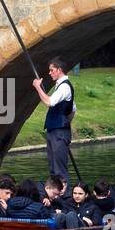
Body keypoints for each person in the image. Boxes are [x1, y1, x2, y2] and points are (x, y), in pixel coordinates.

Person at [32, 57, 76, 185]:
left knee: (59, 171)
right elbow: (73, 109)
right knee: (53, 169)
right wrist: (66, 122)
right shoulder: (60, 87)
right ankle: (56, 196)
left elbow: (49, 102)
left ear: (59, 70)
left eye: (52, 70)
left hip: (59, 133)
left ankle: (65, 198)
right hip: (54, 132)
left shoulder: (65, 87)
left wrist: (38, 87)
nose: (49, 73)